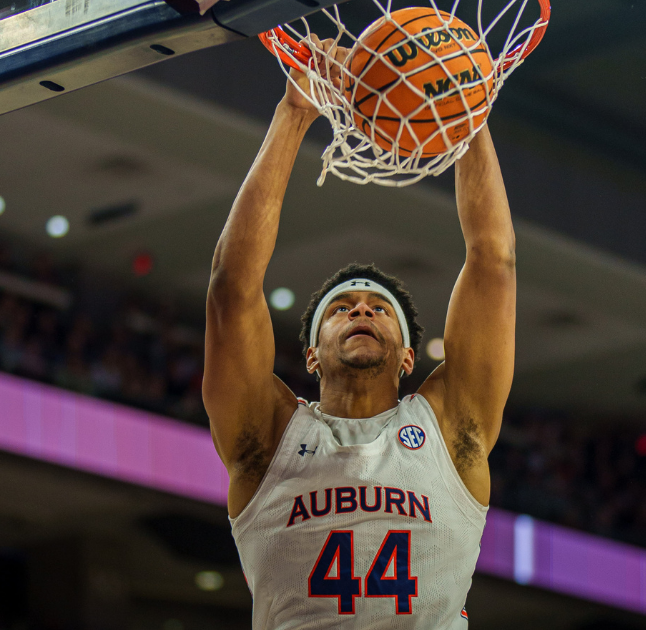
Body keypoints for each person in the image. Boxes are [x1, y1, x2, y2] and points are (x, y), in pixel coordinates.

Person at [203, 37, 516, 629]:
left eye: (379, 308)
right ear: (312, 356)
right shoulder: (268, 436)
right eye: (341, 308)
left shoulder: (452, 428)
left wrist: (466, 111)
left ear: (408, 358)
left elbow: (493, 260)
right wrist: (295, 111)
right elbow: (231, 286)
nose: (362, 311)